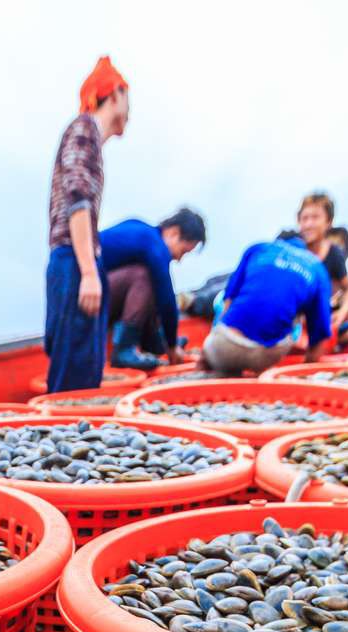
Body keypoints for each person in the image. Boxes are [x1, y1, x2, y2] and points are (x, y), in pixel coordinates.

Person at [44, 56, 129, 393]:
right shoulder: (84, 128)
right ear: (116, 94)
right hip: (74, 261)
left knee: (85, 371)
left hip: (75, 261)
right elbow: (77, 199)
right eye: (128, 96)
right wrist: (90, 272)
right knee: (73, 381)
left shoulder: (89, 135)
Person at [202, 235, 332, 375]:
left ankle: (208, 362)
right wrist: (307, 372)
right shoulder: (317, 267)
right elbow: (321, 331)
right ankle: (260, 373)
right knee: (295, 313)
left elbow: (228, 299)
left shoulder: (259, 248)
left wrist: (215, 338)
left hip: (224, 347)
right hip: (266, 355)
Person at [99, 208, 207, 371]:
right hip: (87, 299)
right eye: (183, 251)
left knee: (155, 278)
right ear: (173, 233)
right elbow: (167, 297)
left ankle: (153, 341)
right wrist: (171, 345)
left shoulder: (143, 235)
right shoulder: (152, 242)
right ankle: (124, 348)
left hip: (103, 294)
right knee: (148, 276)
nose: (178, 259)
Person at [294, 192, 348, 350]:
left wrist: (341, 313)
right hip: (292, 325)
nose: (309, 224)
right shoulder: (291, 249)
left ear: (328, 222)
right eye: (305, 218)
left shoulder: (333, 254)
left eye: (315, 217)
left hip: (320, 324)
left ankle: (325, 347)